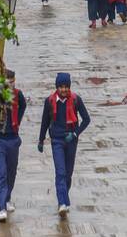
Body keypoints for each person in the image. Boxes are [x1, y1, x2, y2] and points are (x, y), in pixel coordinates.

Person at [38, 72, 90, 215]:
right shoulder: (49, 102)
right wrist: (41, 140)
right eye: (61, 87)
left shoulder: (76, 100)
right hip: (57, 140)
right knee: (60, 172)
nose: (63, 90)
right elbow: (44, 122)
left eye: (66, 87)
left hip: (71, 140)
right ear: (57, 87)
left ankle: (64, 195)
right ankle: (62, 202)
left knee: (68, 174)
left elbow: (86, 120)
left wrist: (75, 133)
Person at [0, 70, 27, 222]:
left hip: (13, 138)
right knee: (2, 172)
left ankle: (8, 197)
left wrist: (16, 122)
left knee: (11, 171)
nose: (10, 85)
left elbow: (23, 107)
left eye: (12, 81)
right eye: (7, 82)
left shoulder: (18, 95)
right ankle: (2, 207)